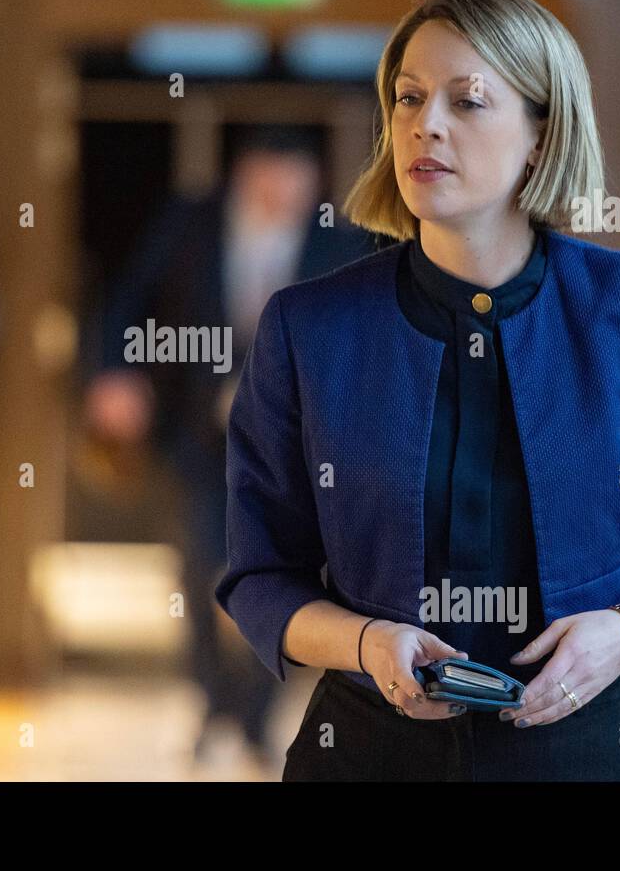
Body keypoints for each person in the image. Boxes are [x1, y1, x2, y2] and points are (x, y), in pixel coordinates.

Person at [215, 0, 620, 781]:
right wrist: (369, 645)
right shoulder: (310, 328)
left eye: (467, 101)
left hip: (589, 755)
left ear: (541, 135)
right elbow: (261, 575)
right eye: (407, 98)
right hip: (367, 755)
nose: (423, 124)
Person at [84, 125, 379, 768]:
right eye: (271, 175)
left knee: (285, 576)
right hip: (198, 435)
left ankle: (254, 716)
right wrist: (114, 370)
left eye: (299, 179)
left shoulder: (338, 239)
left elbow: (366, 333)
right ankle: (210, 701)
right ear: (245, 174)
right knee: (198, 567)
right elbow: (128, 295)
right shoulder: (191, 225)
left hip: (293, 449)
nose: (285, 191)